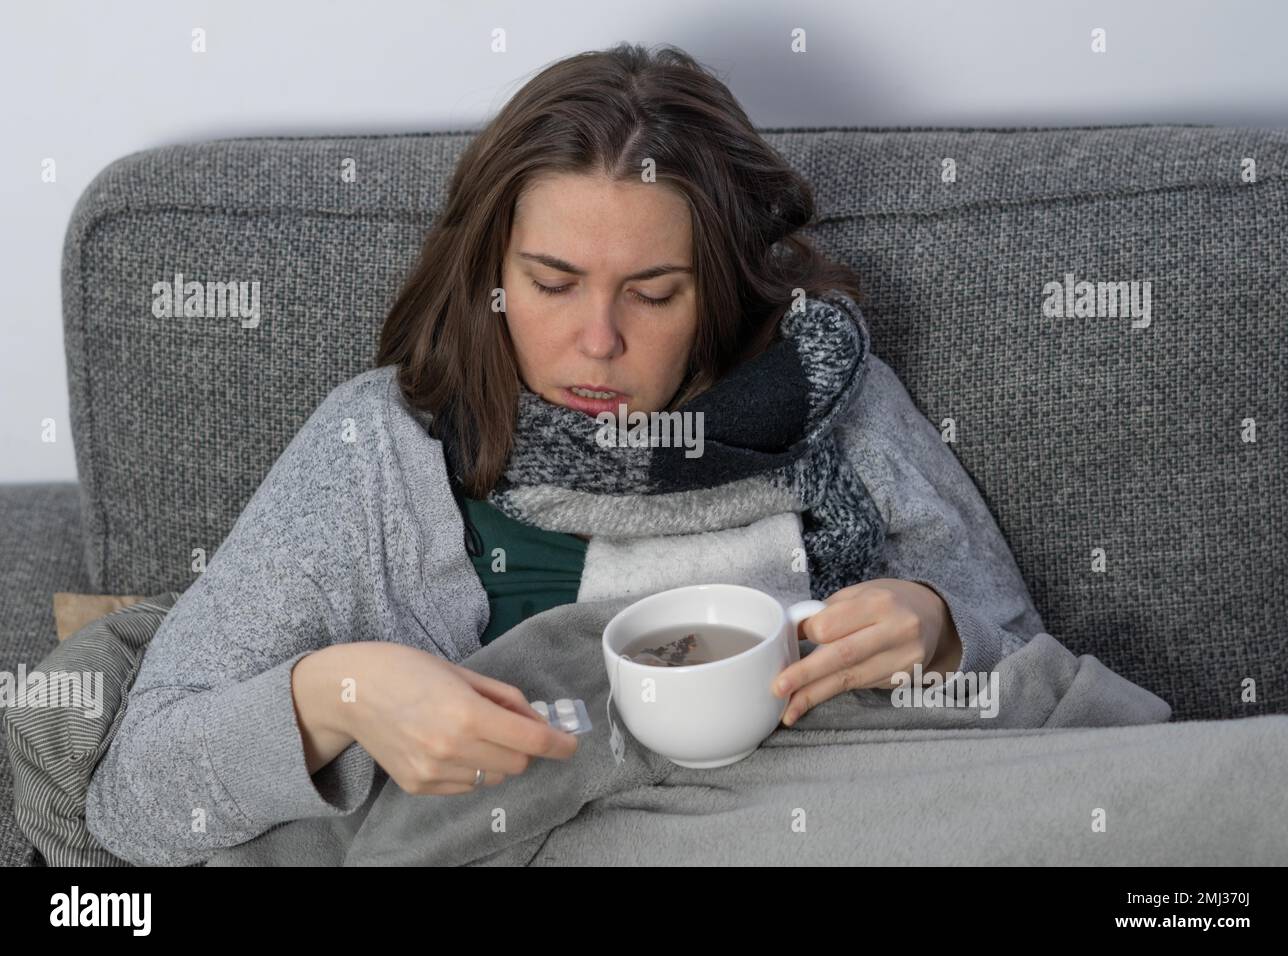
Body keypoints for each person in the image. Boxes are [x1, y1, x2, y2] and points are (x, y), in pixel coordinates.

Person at [85, 42, 1045, 867]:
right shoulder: (377, 448)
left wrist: (940, 636)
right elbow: (135, 795)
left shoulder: (838, 404)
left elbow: (1045, 689)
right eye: (552, 284)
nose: (598, 341)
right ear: (491, 275)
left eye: (654, 294)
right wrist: (340, 694)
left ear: (718, 290)